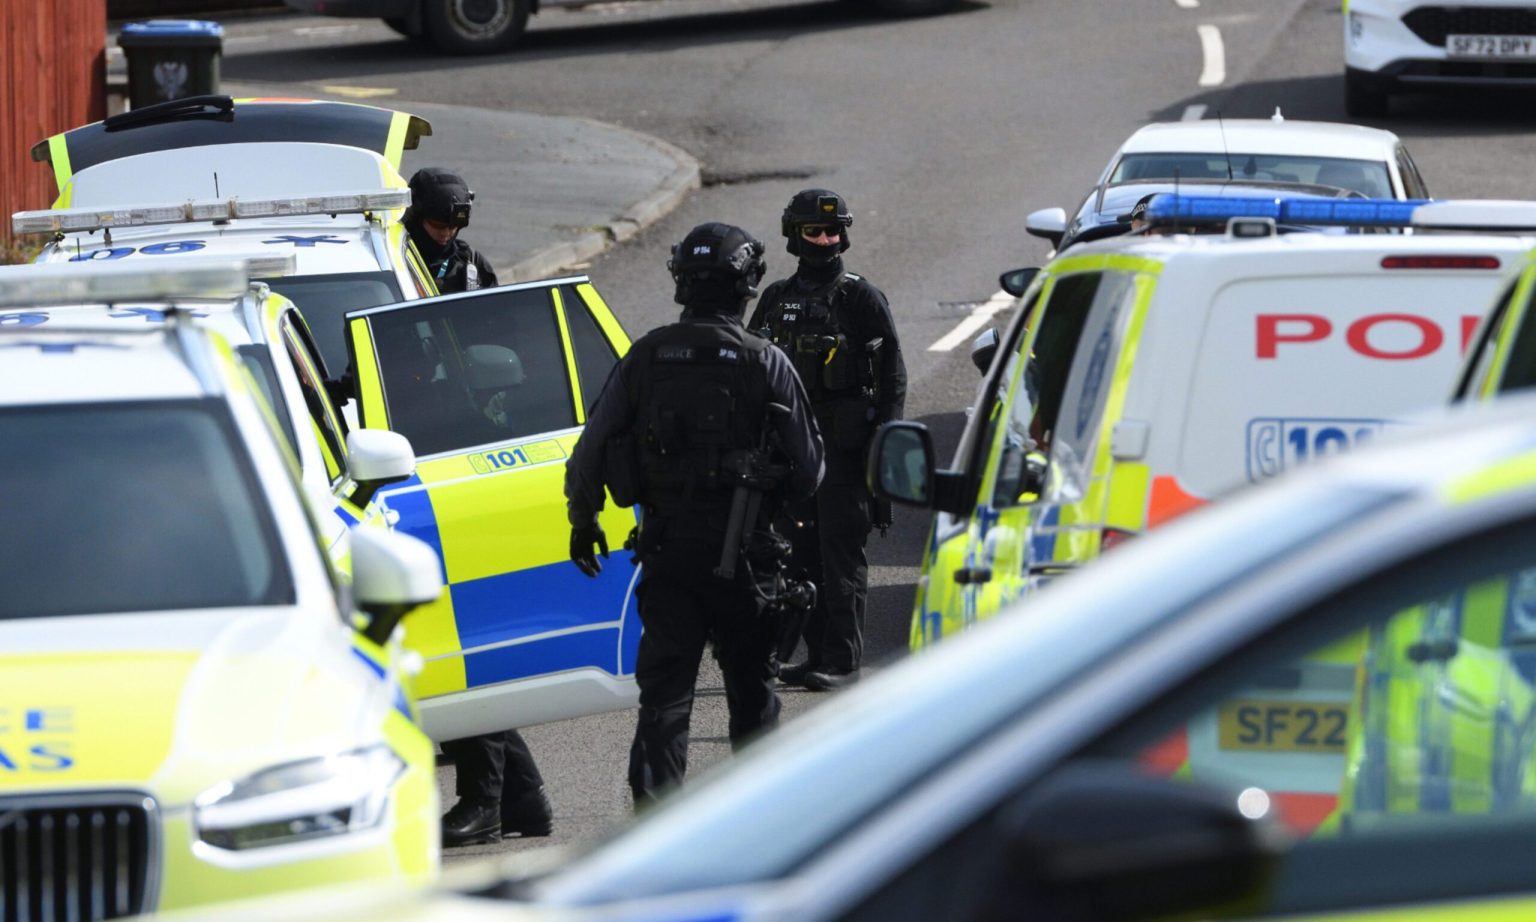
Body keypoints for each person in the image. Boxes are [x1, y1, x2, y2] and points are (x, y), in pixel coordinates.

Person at [564, 222, 824, 807]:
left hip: (668, 556)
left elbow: (590, 450)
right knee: (753, 704)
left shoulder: (646, 357)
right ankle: (764, 831)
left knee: (665, 701)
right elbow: (812, 472)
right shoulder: (767, 361)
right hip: (748, 565)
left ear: (682, 282)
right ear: (749, 284)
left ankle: (654, 834)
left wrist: (584, 521)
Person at [404, 166, 556, 847]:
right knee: (461, 641)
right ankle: (522, 803)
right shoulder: (394, 258)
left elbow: (504, 347)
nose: (450, 234)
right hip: (409, 445)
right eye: (440, 223)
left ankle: (487, 805)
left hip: (462, 453)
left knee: (466, 639)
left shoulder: (469, 265)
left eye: (458, 224)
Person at [748, 189, 906, 692]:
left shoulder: (860, 297)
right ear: (795, 236)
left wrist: (883, 447)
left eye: (834, 231)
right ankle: (812, 652)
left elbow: (892, 379)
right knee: (799, 554)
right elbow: (753, 366)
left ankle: (841, 661)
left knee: (840, 554)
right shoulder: (776, 298)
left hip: (844, 449)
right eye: (815, 231)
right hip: (792, 449)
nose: (826, 240)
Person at [403, 166, 497, 293]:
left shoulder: (472, 262)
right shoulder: (395, 258)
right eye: (437, 225)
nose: (446, 233)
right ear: (417, 218)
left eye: (453, 226)